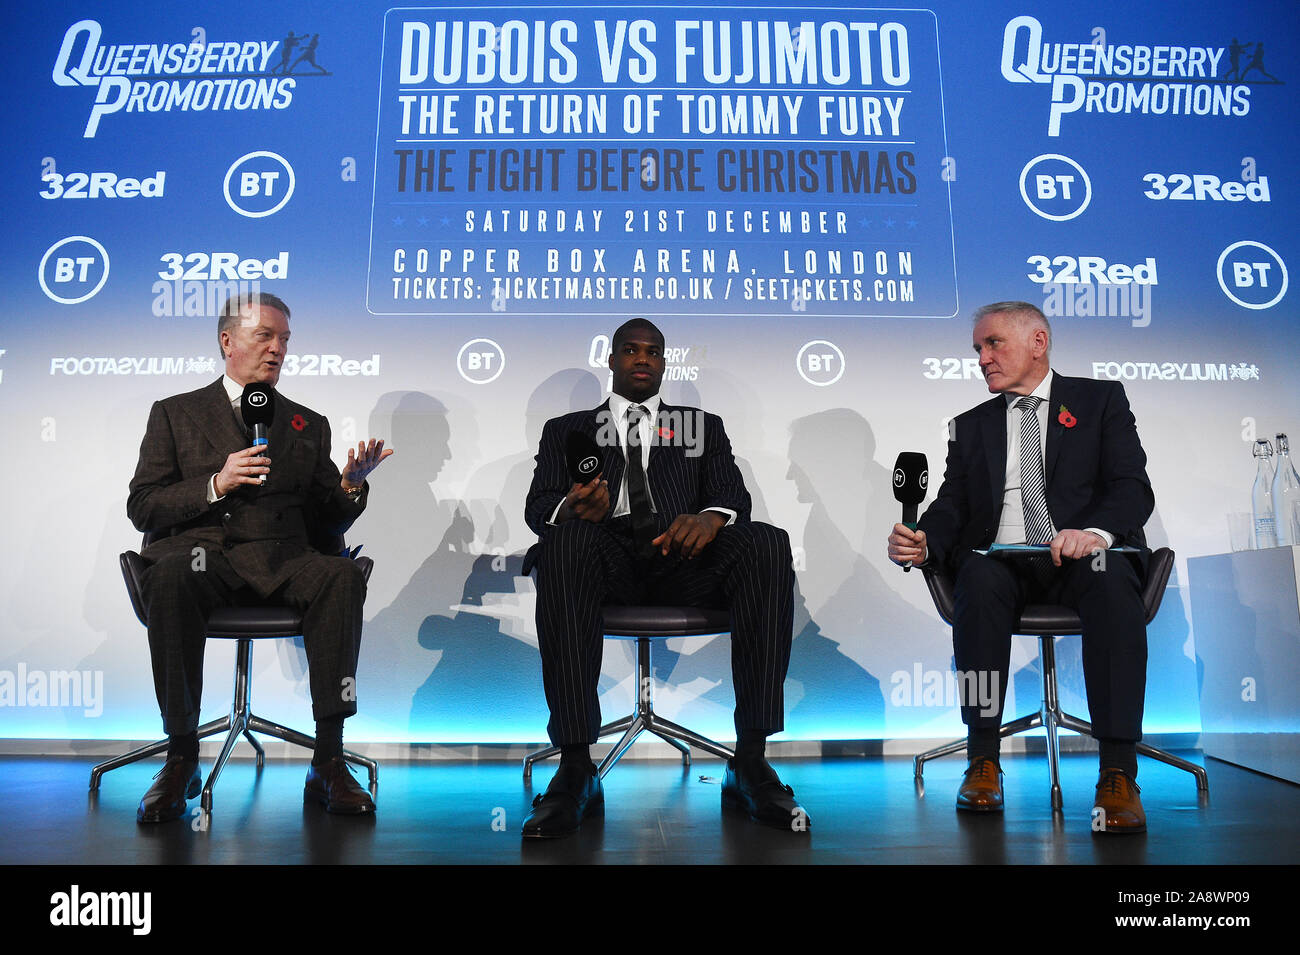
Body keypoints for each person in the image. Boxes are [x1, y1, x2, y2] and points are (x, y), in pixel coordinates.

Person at [522, 318, 806, 837]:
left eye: (653, 352)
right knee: (561, 540)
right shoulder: (567, 430)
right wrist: (572, 507)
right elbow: (538, 508)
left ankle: (750, 761)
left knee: (767, 540)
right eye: (630, 350)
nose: (642, 359)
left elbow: (732, 497)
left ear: (664, 363)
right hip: (603, 563)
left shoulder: (702, 426)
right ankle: (575, 767)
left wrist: (710, 518)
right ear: (610, 360)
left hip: (684, 563)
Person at [887, 301, 1154, 833]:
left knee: (1108, 578)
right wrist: (925, 541)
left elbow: (1132, 487)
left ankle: (1118, 772)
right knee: (978, 577)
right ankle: (983, 757)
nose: (982, 359)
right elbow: (952, 505)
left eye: (993, 344)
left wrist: (1094, 533)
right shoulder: (969, 425)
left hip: (1079, 551)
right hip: (1002, 559)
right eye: (977, 350)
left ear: (1038, 342)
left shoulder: (1100, 400)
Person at [127, 293, 393, 821]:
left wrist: (348, 486)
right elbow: (143, 505)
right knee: (175, 573)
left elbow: (324, 523)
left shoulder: (305, 424)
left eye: (285, 340)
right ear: (227, 341)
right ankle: (180, 756)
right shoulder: (175, 413)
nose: (277, 350)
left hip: (283, 559)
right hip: (206, 559)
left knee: (340, 575)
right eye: (264, 337)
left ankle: (329, 760)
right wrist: (214, 484)